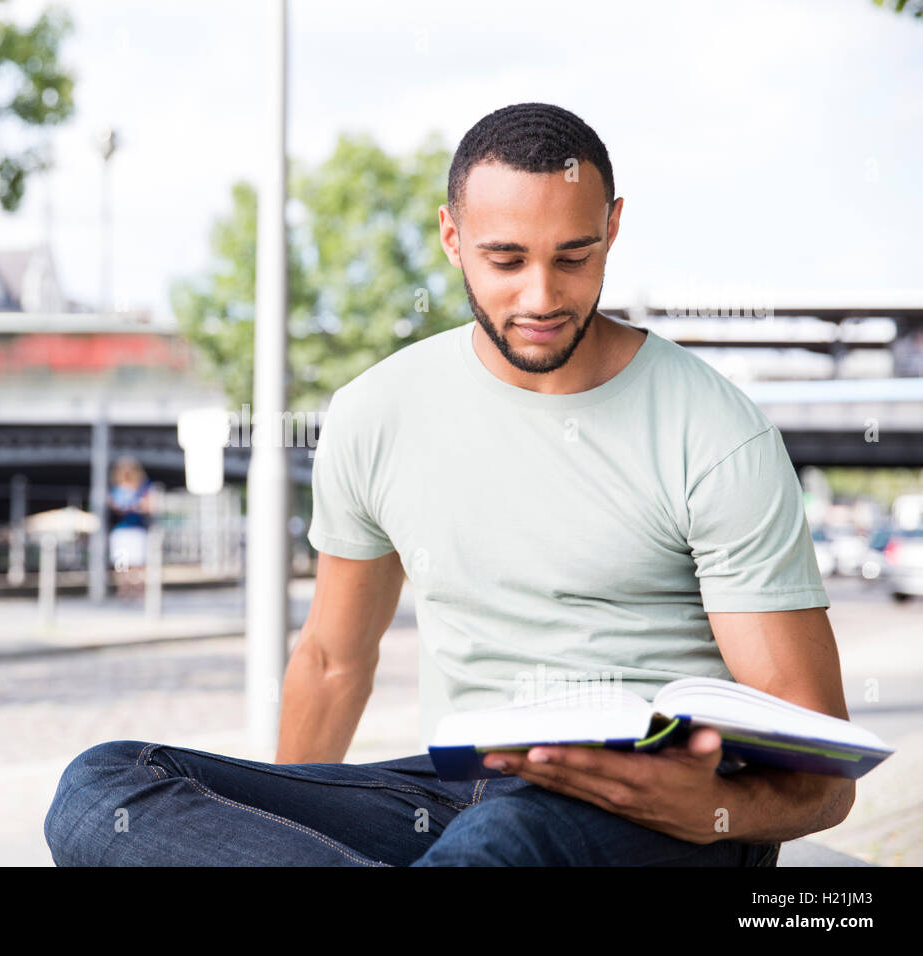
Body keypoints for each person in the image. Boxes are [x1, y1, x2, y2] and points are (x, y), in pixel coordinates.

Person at [43, 103, 853, 866]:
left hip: (656, 810)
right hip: (453, 791)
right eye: (506, 258)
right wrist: (281, 827)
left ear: (612, 229)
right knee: (102, 787)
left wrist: (714, 810)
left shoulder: (712, 429)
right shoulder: (378, 411)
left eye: (574, 256)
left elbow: (820, 766)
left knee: (503, 837)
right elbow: (331, 660)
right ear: (452, 238)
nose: (541, 296)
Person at [107, 457, 153, 601]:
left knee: (139, 564)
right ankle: (124, 590)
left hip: (137, 530)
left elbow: (149, 506)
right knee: (122, 565)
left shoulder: (144, 488)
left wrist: (136, 505)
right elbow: (113, 505)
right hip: (122, 530)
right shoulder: (116, 489)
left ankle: (140, 590)